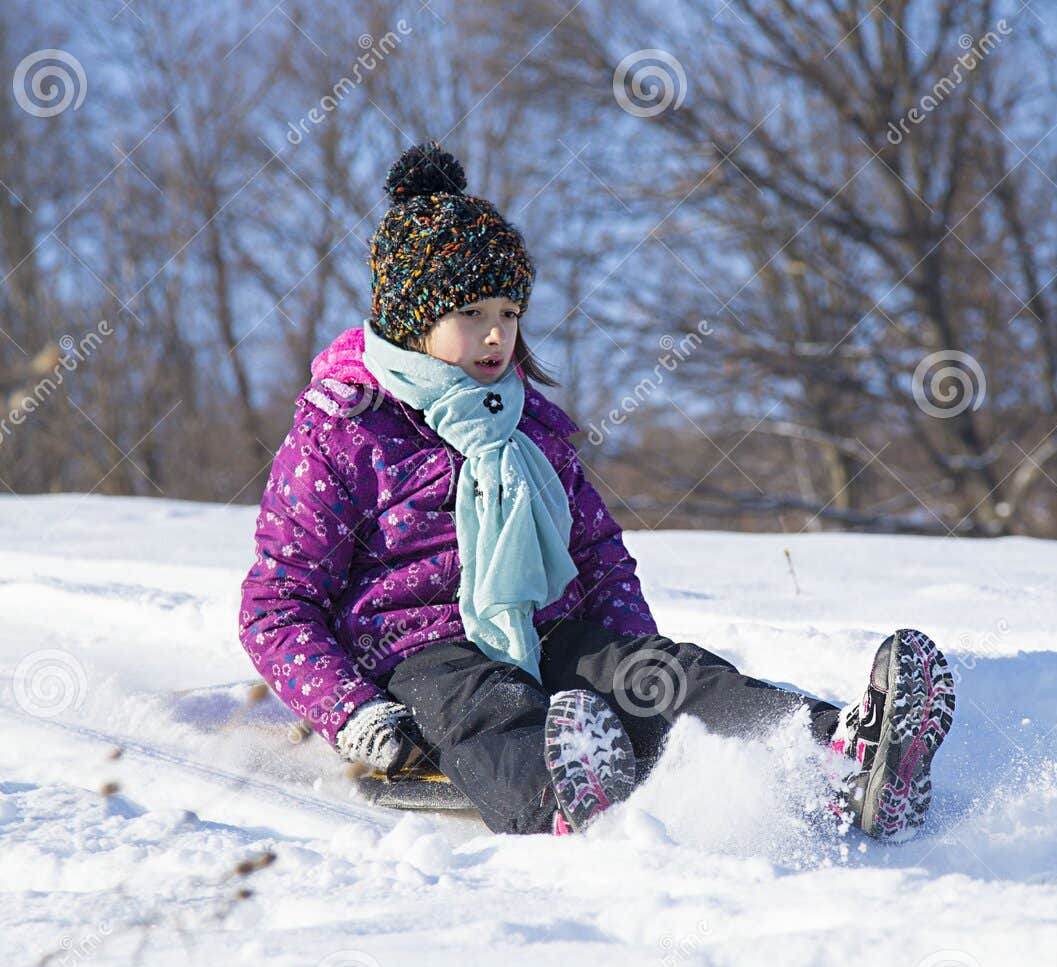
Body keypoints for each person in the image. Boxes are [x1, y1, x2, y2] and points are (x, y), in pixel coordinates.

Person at [238, 141, 955, 840]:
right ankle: (563, 792)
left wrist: (637, 679)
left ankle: (840, 760)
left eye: (509, 315)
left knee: (673, 675)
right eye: (471, 315)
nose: (496, 336)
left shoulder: (532, 427)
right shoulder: (344, 432)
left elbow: (601, 557)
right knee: (492, 704)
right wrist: (352, 710)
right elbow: (278, 604)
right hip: (416, 653)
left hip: (551, 628)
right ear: (410, 321)